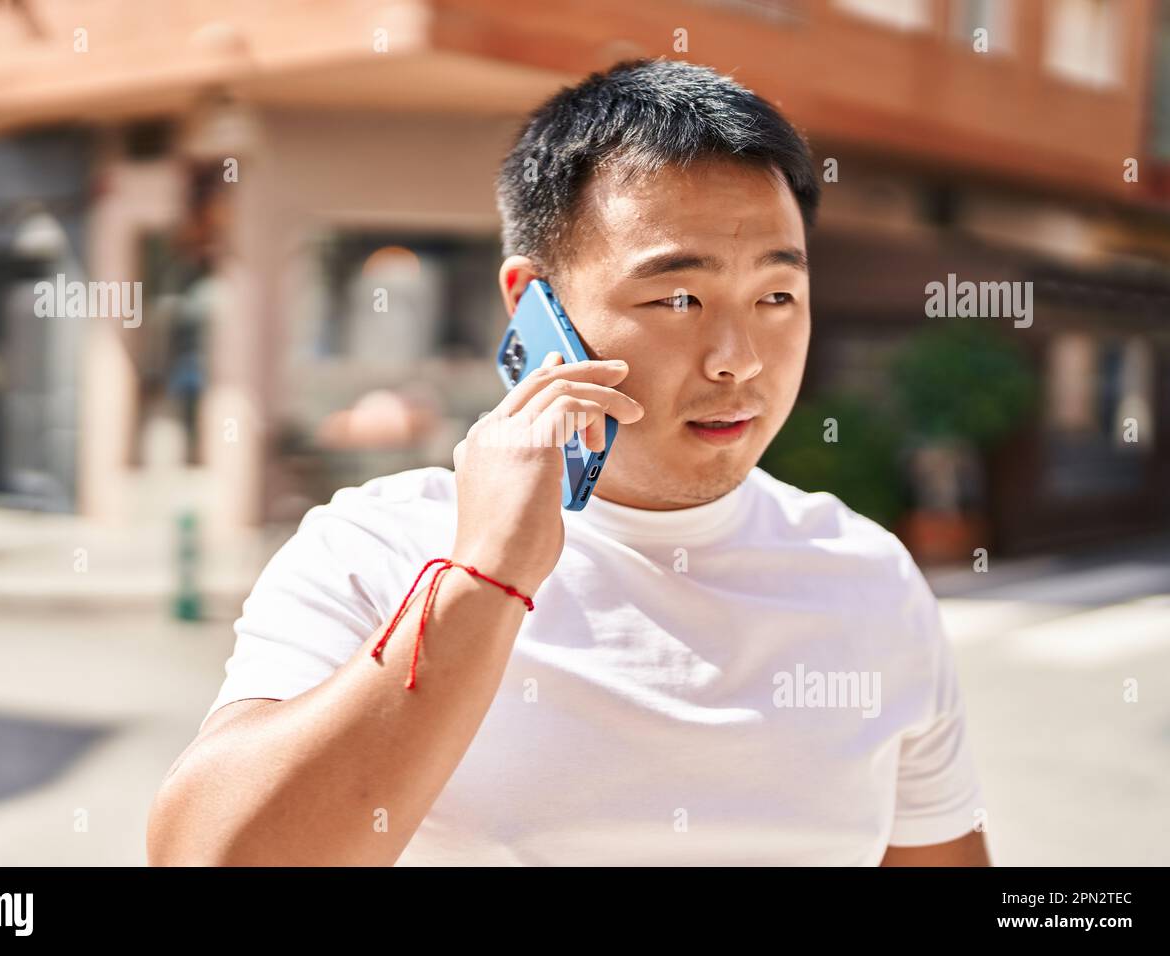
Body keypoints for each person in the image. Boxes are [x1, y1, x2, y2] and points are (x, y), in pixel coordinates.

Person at [147, 58, 990, 866]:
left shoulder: (869, 576)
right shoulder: (378, 547)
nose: (738, 359)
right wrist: (483, 578)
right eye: (677, 298)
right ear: (533, 305)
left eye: (776, 296)